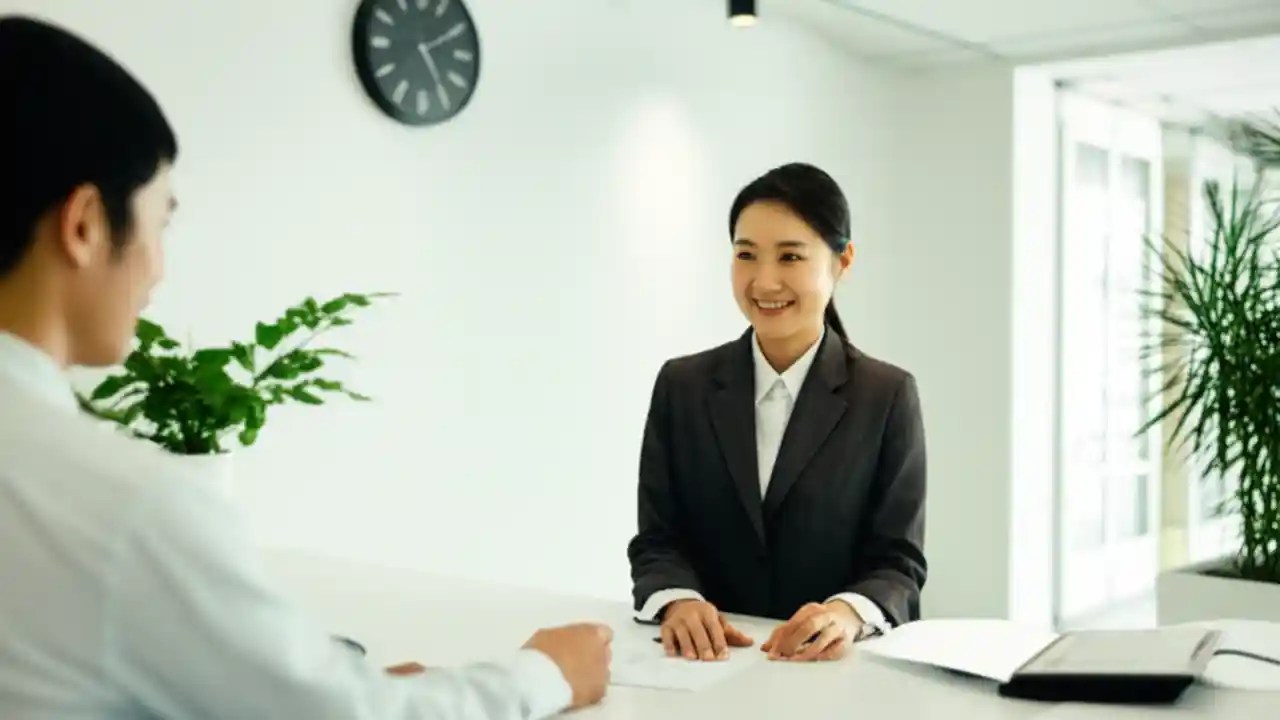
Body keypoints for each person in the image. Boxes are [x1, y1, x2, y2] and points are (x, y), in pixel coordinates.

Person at [0, 16, 610, 719]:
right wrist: (545, 675)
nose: (159, 271)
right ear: (84, 225)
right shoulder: (125, 509)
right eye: (161, 222)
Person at [627, 163, 927, 664]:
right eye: (746, 255)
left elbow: (898, 563)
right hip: (703, 666)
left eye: (790, 256)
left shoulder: (887, 395)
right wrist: (677, 599)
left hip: (830, 675)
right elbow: (658, 539)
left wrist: (846, 614)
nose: (764, 281)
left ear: (842, 262)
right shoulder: (682, 386)